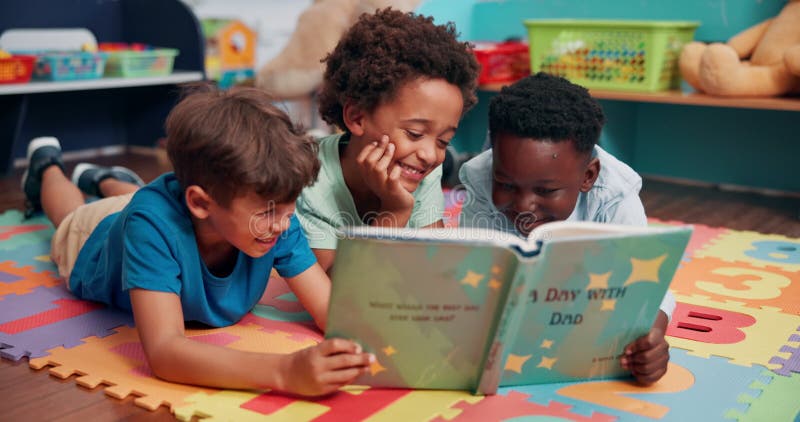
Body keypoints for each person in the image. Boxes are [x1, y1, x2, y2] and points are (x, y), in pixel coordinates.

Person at [20, 85, 373, 396]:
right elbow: (165, 352)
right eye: (270, 213)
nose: (285, 223)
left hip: (159, 208)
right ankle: (47, 166)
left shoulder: (274, 215)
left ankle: (106, 179)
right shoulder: (152, 226)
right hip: (95, 234)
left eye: (289, 207)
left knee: (142, 199)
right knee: (69, 216)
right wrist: (284, 371)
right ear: (201, 202)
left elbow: (331, 311)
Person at [458, 72, 674, 385]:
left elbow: (650, 283)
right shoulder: (479, 178)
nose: (524, 206)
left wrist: (650, 338)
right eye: (505, 184)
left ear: (588, 176)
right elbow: (471, 267)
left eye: (545, 191)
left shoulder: (614, 196)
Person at [295, 8, 480, 273]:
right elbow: (339, 293)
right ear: (357, 118)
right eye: (414, 134)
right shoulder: (310, 179)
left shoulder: (424, 172)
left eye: (443, 141)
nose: (430, 154)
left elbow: (436, 270)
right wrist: (394, 212)